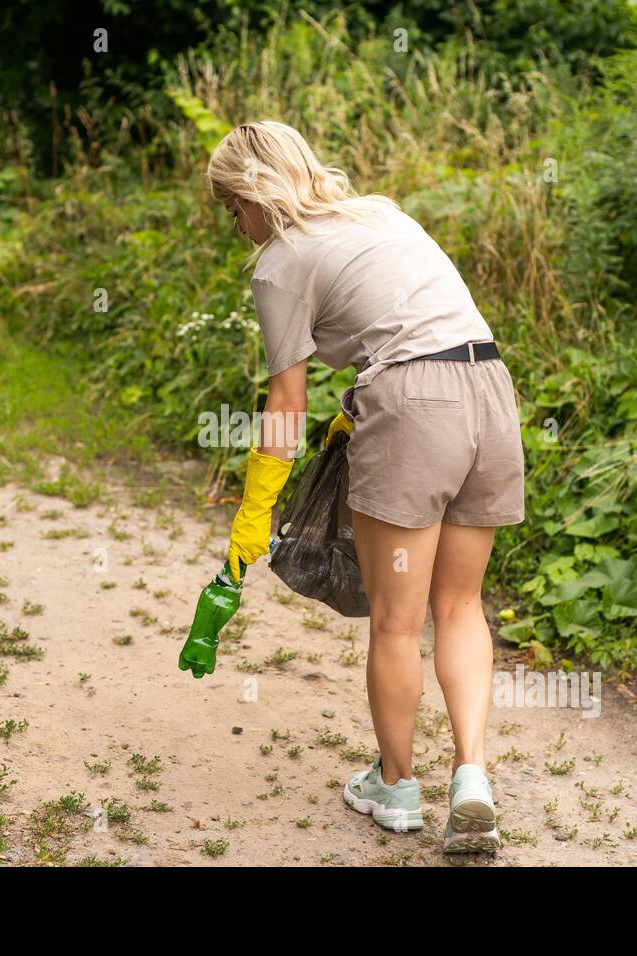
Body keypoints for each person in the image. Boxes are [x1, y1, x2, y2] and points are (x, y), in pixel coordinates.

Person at [205, 120, 526, 853]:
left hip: (414, 407)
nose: (236, 227)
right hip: (491, 393)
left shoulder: (278, 262)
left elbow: (286, 405)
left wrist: (254, 513)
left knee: (397, 621)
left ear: (254, 196)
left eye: (233, 210)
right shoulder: (378, 211)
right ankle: (471, 777)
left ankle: (398, 785)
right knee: (462, 604)